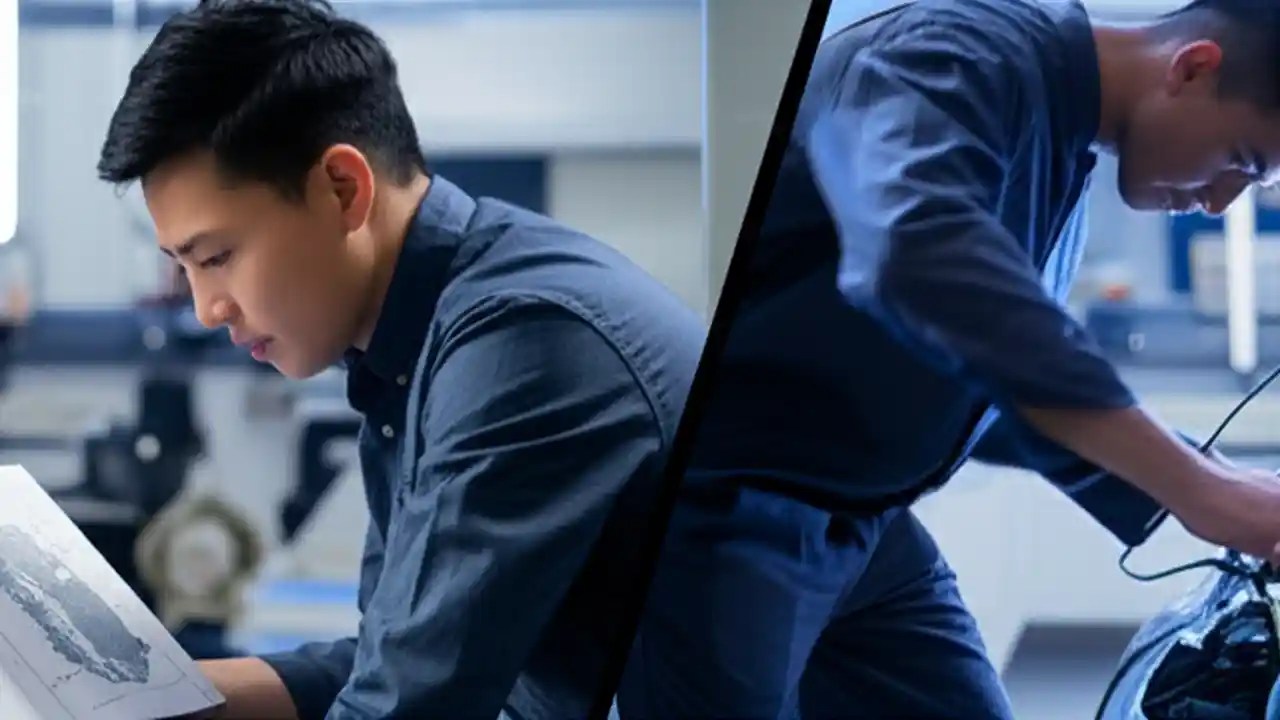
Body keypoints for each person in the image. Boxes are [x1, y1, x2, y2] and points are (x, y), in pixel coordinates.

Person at [618, 0, 1280, 718]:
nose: (1221, 203)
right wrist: (1198, 489)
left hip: (867, 528)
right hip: (735, 515)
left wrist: (1214, 477)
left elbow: (984, 381)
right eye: (1240, 164)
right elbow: (915, 250)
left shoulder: (1063, 149)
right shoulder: (957, 53)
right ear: (1192, 66)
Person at [95, 1, 704, 718]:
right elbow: (399, 659)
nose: (207, 308)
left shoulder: (524, 344)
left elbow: (411, 702)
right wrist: (147, 697)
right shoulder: (413, 348)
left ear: (343, 189)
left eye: (218, 257)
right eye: (184, 269)